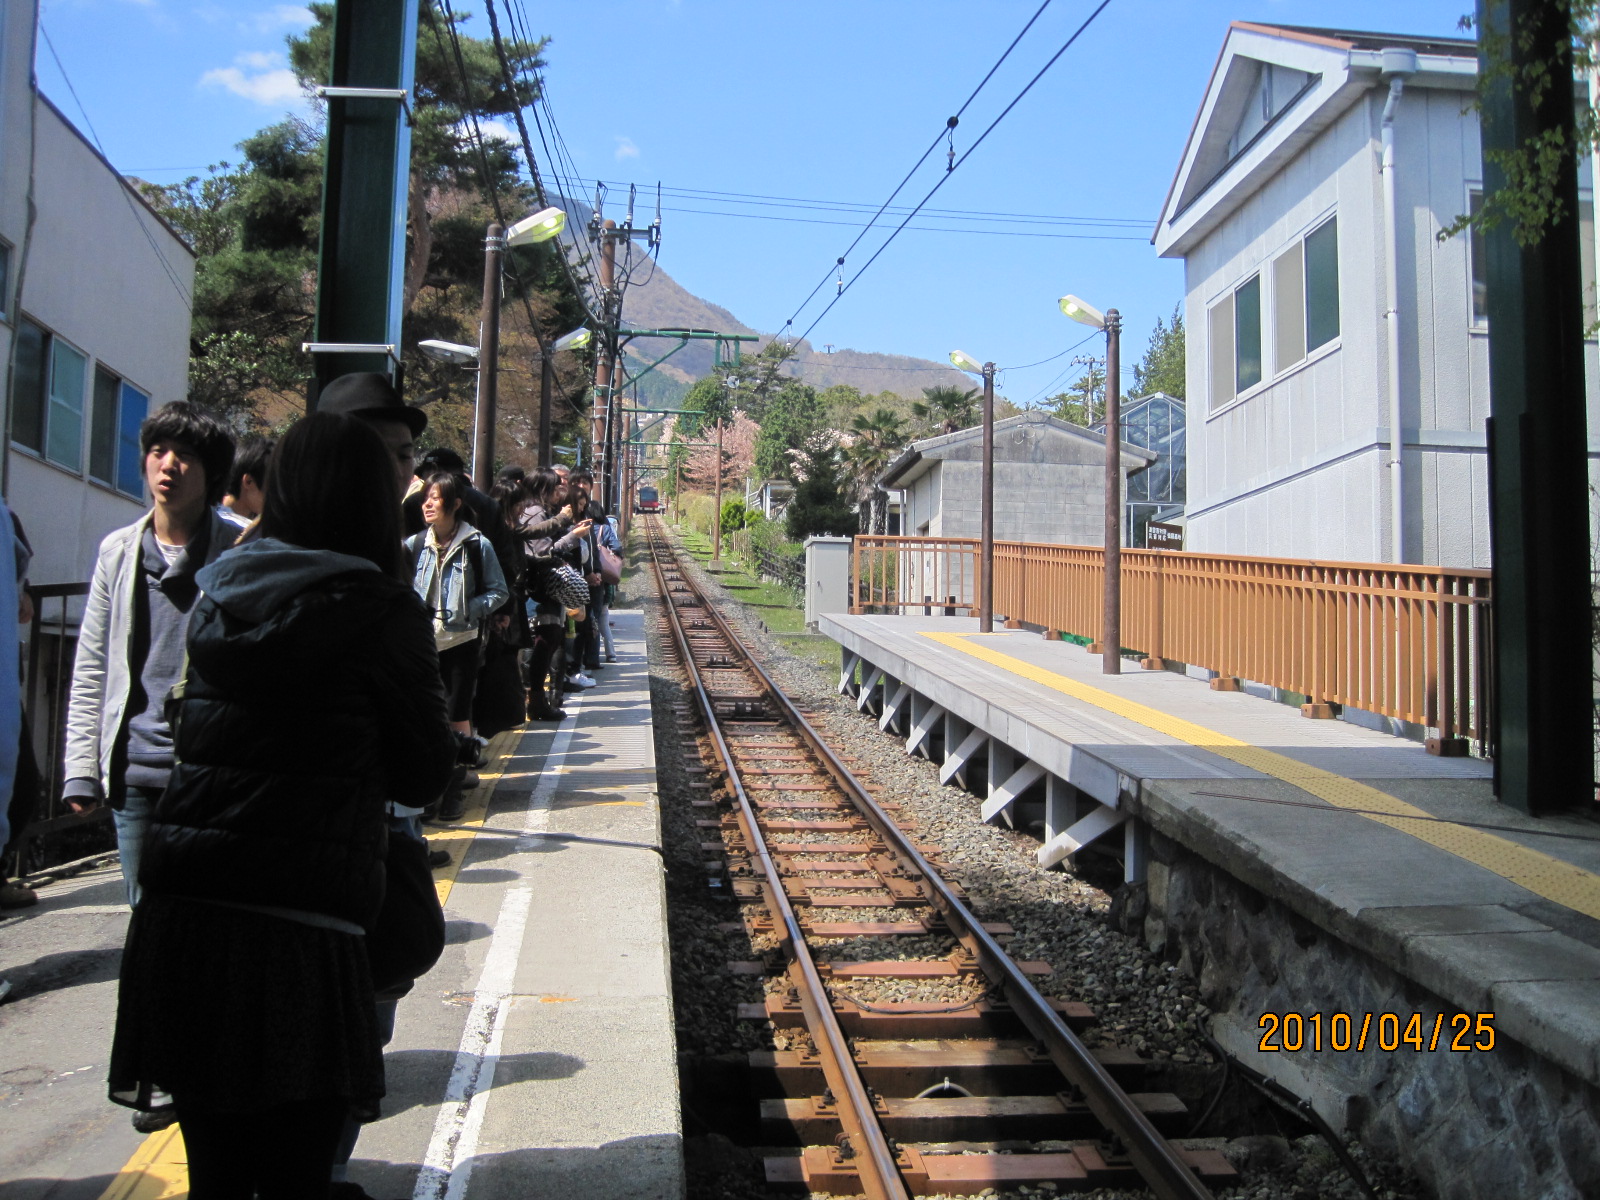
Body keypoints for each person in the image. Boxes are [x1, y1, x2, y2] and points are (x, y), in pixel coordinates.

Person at [107, 412, 456, 1200]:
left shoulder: (218, 591)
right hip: (304, 930)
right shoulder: (380, 609)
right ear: (371, 500)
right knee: (300, 1173)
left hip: (187, 917)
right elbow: (422, 774)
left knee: (217, 1177)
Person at [62, 401, 237, 913]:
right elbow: (92, 663)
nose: (168, 465)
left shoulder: (240, 549)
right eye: (159, 451)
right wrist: (81, 767)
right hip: (134, 770)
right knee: (147, 915)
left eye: (186, 455)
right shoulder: (118, 552)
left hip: (212, 768)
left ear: (211, 472)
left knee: (211, 912)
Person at [405, 472, 508, 824]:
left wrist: (468, 610)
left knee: (456, 716)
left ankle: (452, 791)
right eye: (425, 498)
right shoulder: (414, 545)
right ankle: (428, 792)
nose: (427, 504)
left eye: (434, 498)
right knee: (424, 717)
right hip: (422, 644)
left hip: (461, 642)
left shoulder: (477, 545)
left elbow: (499, 591)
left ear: (455, 504)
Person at [514, 468, 588, 718]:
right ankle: (535, 699)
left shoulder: (535, 510)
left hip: (539, 587)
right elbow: (544, 552)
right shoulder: (536, 512)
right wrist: (572, 536)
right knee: (545, 641)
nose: (560, 490)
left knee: (548, 640)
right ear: (543, 488)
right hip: (540, 589)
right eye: (556, 486)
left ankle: (538, 698)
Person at [216, 435, 273, 530]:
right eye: (272, 486)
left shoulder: (208, 516)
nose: (275, 497)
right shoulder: (243, 531)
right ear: (248, 481)